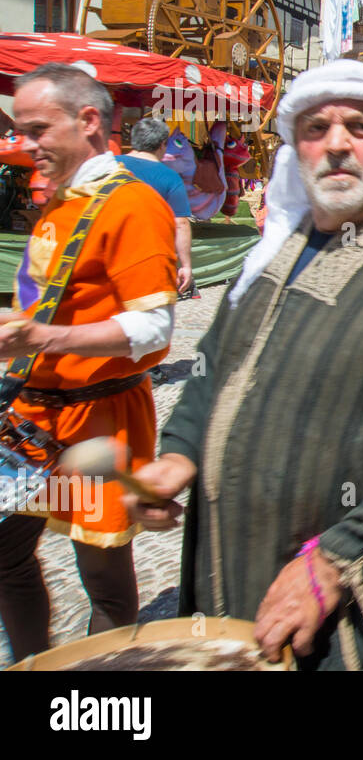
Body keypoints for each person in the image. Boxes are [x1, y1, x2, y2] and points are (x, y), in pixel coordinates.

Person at [126, 61, 363, 670]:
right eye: (315, 128)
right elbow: (212, 367)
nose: (335, 144)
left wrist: (335, 561)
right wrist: (179, 453)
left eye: (360, 126)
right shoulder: (279, 253)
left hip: (336, 612)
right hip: (234, 572)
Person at [0, 64, 177, 662]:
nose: (27, 145)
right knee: (5, 554)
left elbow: (154, 329)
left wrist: (42, 338)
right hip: (30, 421)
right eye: (21, 131)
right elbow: (48, 302)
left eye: (38, 129)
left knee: (102, 579)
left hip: (100, 420)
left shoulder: (132, 205)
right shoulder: (59, 203)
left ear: (90, 121)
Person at [118, 115, 194, 296]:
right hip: (148, 260)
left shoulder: (109, 165)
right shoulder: (170, 177)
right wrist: (186, 265)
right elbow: (180, 223)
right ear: (162, 144)